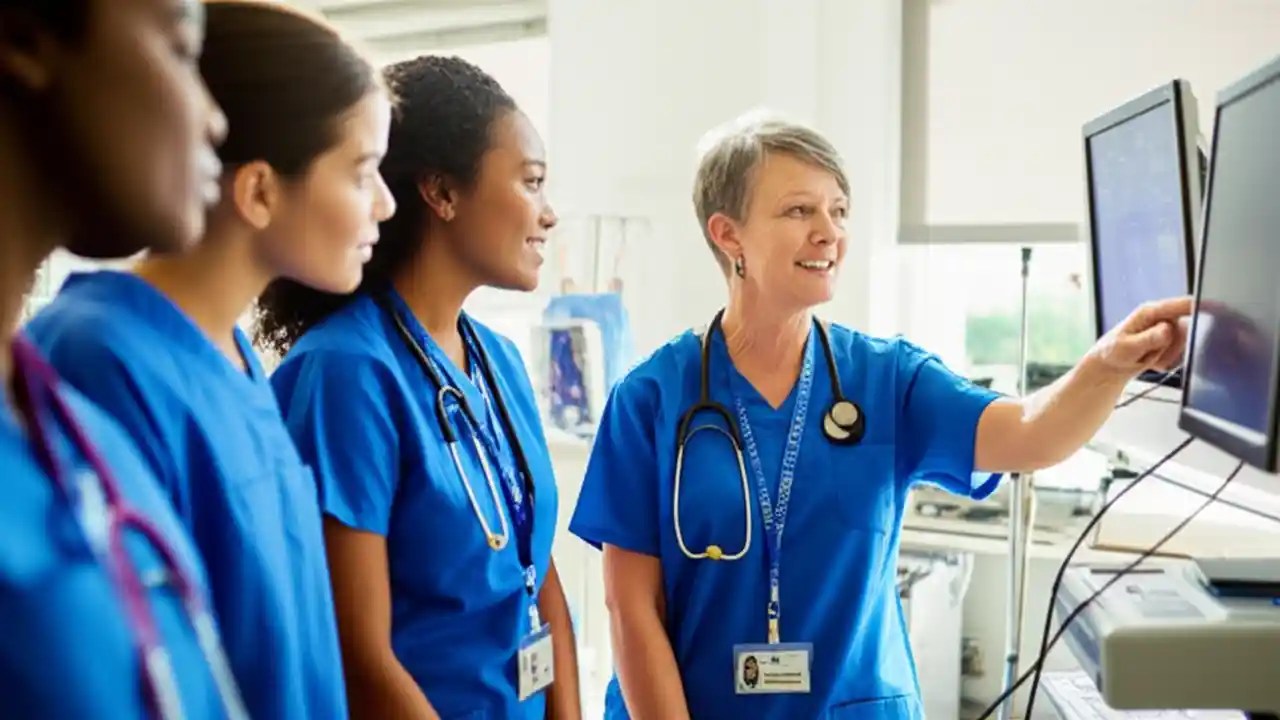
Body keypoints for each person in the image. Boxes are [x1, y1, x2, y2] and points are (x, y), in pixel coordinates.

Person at [569, 113, 1191, 720]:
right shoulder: (651, 397)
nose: (829, 233)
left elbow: (1031, 434)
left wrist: (1107, 365)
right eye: (799, 211)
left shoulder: (889, 380)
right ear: (729, 235)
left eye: (838, 211)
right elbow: (631, 608)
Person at [24, 3, 393, 718]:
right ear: (259, 190)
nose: (384, 205)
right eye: (362, 172)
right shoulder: (97, 357)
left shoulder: (236, 360)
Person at [260, 55, 582, 720]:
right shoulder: (346, 374)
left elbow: (536, 568)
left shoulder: (498, 360)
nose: (548, 214)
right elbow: (358, 656)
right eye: (530, 182)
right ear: (442, 193)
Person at [0, 0, 243, 717]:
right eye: (180, 50)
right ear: (23, 31)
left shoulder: (80, 439)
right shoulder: (100, 362)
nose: (215, 119)